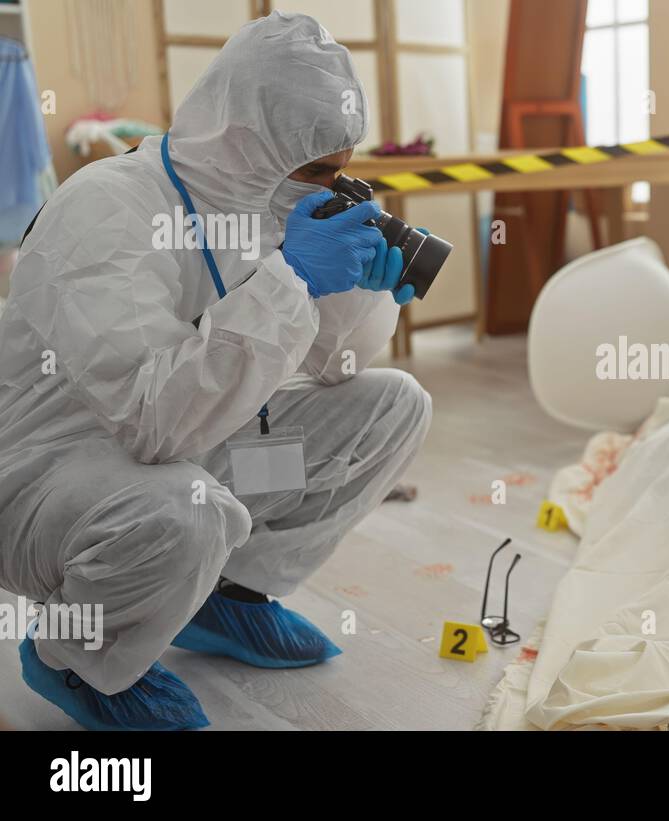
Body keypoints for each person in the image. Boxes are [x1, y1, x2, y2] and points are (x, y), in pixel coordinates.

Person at [0, 12, 432, 730]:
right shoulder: (108, 209)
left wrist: (360, 286)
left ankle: (231, 590)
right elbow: (153, 422)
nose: (333, 186)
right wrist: (292, 280)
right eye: (318, 170)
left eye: (342, 168)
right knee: (184, 508)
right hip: (46, 483)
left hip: (189, 460)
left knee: (394, 406)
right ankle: (75, 653)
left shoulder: (265, 207)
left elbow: (336, 368)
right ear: (248, 140)